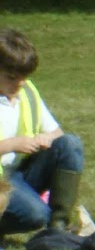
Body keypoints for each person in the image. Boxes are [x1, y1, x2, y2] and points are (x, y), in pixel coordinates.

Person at [0, 27, 88, 237]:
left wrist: (45, 138)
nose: (19, 83)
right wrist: (11, 144)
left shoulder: (27, 91)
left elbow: (58, 133)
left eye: (24, 77)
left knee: (70, 144)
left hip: (19, 172)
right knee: (35, 215)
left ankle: (58, 227)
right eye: (11, 77)